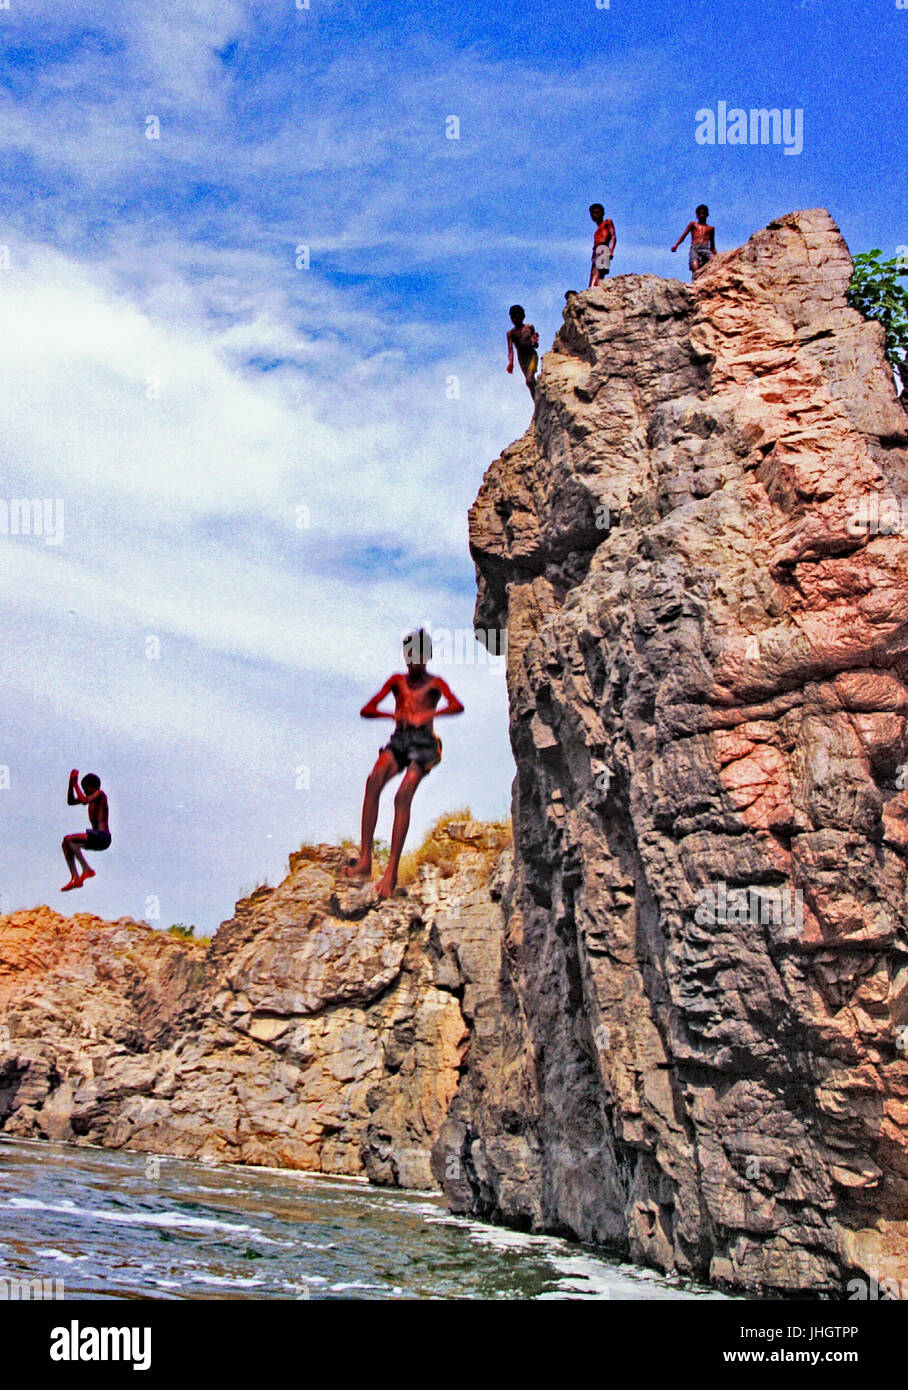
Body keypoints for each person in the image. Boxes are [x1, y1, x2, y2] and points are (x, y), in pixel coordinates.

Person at [342, 630, 464, 899]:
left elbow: (457, 705)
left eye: (418, 655)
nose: (413, 660)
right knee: (373, 781)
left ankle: (391, 874)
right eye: (409, 654)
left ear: (427, 656)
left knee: (402, 796)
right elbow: (367, 709)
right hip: (400, 739)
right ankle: (365, 861)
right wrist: (393, 714)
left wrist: (429, 714)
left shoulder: (435, 683)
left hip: (424, 744)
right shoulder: (397, 681)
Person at [62, 769, 111, 891]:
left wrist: (75, 783)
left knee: (69, 839)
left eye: (86, 789)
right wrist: (70, 783)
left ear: (92, 787)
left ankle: (86, 870)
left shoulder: (100, 794)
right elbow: (71, 801)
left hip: (102, 836)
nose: (84, 792)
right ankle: (75, 877)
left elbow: (84, 801)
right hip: (96, 838)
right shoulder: (90, 797)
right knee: (66, 844)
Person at [671, 205, 716, 279]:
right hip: (695, 248)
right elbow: (684, 235)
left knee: (713, 261)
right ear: (697, 215)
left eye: (703, 213)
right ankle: (695, 281)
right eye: (699, 213)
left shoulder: (711, 228)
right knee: (695, 266)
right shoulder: (693, 224)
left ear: (707, 214)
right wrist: (676, 245)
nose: (701, 215)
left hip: (705, 248)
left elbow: (712, 245)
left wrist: (717, 256)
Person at [506, 305, 540, 399]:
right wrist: (511, 363)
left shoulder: (529, 327)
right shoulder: (511, 333)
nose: (515, 320)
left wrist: (535, 341)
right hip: (522, 359)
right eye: (513, 318)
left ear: (522, 316)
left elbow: (536, 345)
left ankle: (538, 400)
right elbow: (510, 350)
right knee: (530, 382)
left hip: (532, 356)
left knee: (529, 380)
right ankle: (537, 400)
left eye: (517, 317)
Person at [588, 203, 617, 288]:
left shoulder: (607, 222)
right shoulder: (597, 230)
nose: (595, 215)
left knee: (597, 270)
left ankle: (592, 288)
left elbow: (613, 236)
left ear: (602, 213)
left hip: (603, 248)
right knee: (595, 271)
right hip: (597, 250)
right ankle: (595, 287)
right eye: (592, 213)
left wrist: (611, 250)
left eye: (597, 212)